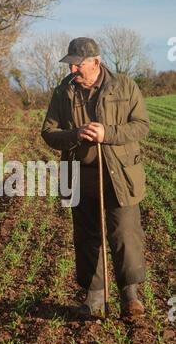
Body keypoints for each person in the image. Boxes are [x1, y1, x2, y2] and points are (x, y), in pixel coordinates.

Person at [41, 37, 149, 317]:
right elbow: (49, 133)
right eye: (71, 66)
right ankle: (94, 299)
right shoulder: (61, 93)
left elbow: (140, 126)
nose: (73, 71)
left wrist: (107, 134)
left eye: (78, 65)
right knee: (87, 237)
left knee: (125, 234)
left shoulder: (125, 86)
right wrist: (75, 135)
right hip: (80, 175)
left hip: (120, 175)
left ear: (96, 63)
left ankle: (130, 297)